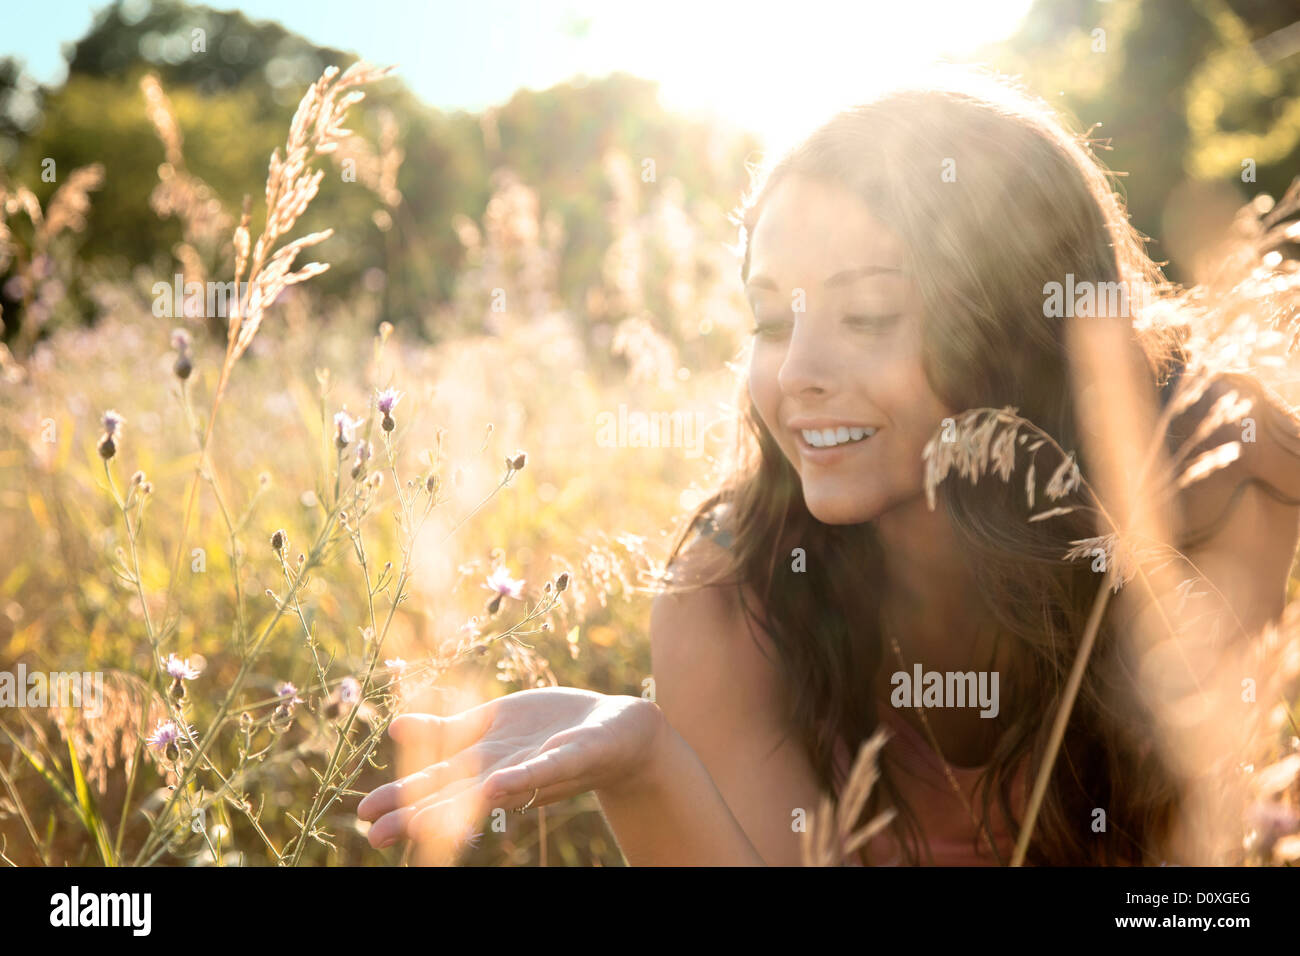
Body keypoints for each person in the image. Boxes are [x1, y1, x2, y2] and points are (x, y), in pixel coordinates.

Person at [356, 68, 1300, 866]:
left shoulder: (1203, 502)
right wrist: (645, 763)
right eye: (771, 319)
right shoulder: (731, 597)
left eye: (866, 318)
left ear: (1015, 331)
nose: (797, 373)